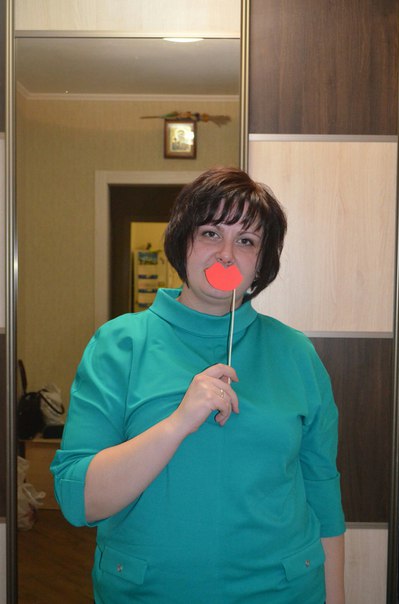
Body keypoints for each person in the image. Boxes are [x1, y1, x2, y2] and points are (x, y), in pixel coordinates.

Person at [51, 166, 345, 604]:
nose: (226, 255)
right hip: (149, 592)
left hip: (284, 590)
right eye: (210, 233)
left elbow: (322, 491)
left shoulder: (295, 352)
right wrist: (177, 423)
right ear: (182, 241)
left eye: (246, 241)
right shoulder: (119, 344)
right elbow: (79, 500)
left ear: (261, 262)